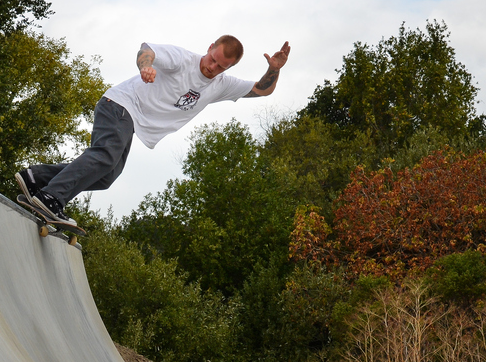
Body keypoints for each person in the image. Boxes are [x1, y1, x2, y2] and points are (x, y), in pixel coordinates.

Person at [15, 35, 291, 225]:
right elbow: (147, 49)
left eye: (221, 66)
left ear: (229, 67)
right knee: (106, 156)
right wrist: (146, 65)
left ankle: (36, 179)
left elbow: (260, 90)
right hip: (119, 105)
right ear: (209, 48)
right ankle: (52, 197)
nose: (212, 67)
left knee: (106, 176)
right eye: (212, 58)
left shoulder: (221, 84)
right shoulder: (183, 59)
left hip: (129, 122)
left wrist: (275, 70)